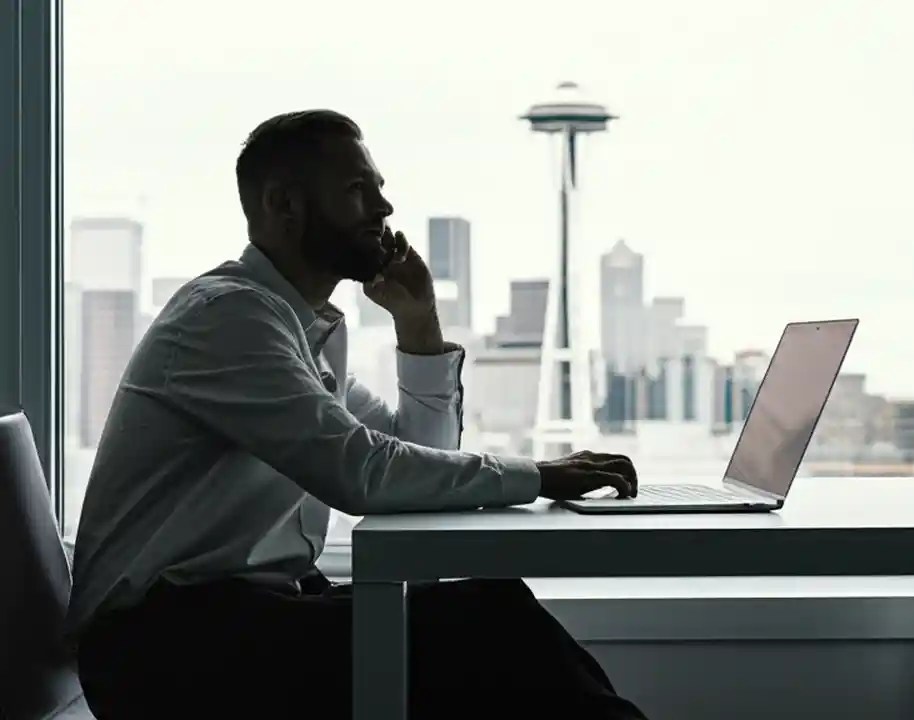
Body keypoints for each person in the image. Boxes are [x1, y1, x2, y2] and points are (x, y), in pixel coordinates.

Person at [68, 109, 647, 719]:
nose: (383, 210)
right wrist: (541, 474)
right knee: (489, 626)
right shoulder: (229, 317)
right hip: (160, 646)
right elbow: (362, 473)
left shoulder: (302, 329)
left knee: (487, 621)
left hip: (246, 612)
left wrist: (418, 324)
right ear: (284, 205)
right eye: (357, 191)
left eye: (378, 190)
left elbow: (410, 460)